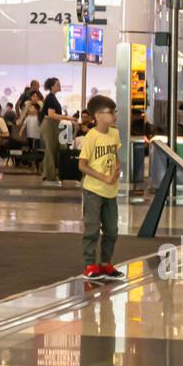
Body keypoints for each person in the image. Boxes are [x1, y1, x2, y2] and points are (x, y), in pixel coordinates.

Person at [78, 94, 122, 280]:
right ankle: (90, 263)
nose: (114, 116)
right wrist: (103, 177)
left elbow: (115, 155)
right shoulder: (91, 137)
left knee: (112, 229)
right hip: (93, 190)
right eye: (110, 112)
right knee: (92, 227)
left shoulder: (115, 134)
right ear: (97, 115)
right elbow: (82, 165)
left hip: (111, 191)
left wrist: (116, 171)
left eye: (114, 112)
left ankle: (105, 263)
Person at [40, 77, 74, 185]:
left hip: (53, 125)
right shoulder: (50, 98)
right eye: (57, 84)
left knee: (54, 149)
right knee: (50, 150)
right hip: (49, 124)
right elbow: (51, 114)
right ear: (52, 86)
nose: (59, 86)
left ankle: (49, 175)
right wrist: (67, 118)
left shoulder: (52, 97)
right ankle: (50, 177)